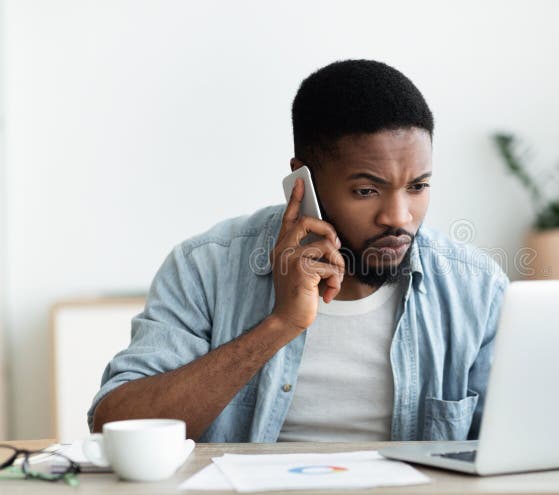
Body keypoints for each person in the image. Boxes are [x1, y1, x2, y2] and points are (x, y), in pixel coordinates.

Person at [89, 59, 508, 442]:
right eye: (366, 190)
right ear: (303, 182)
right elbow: (114, 424)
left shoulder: (476, 287)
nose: (398, 217)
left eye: (418, 186)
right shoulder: (204, 268)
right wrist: (281, 324)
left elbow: (514, 446)